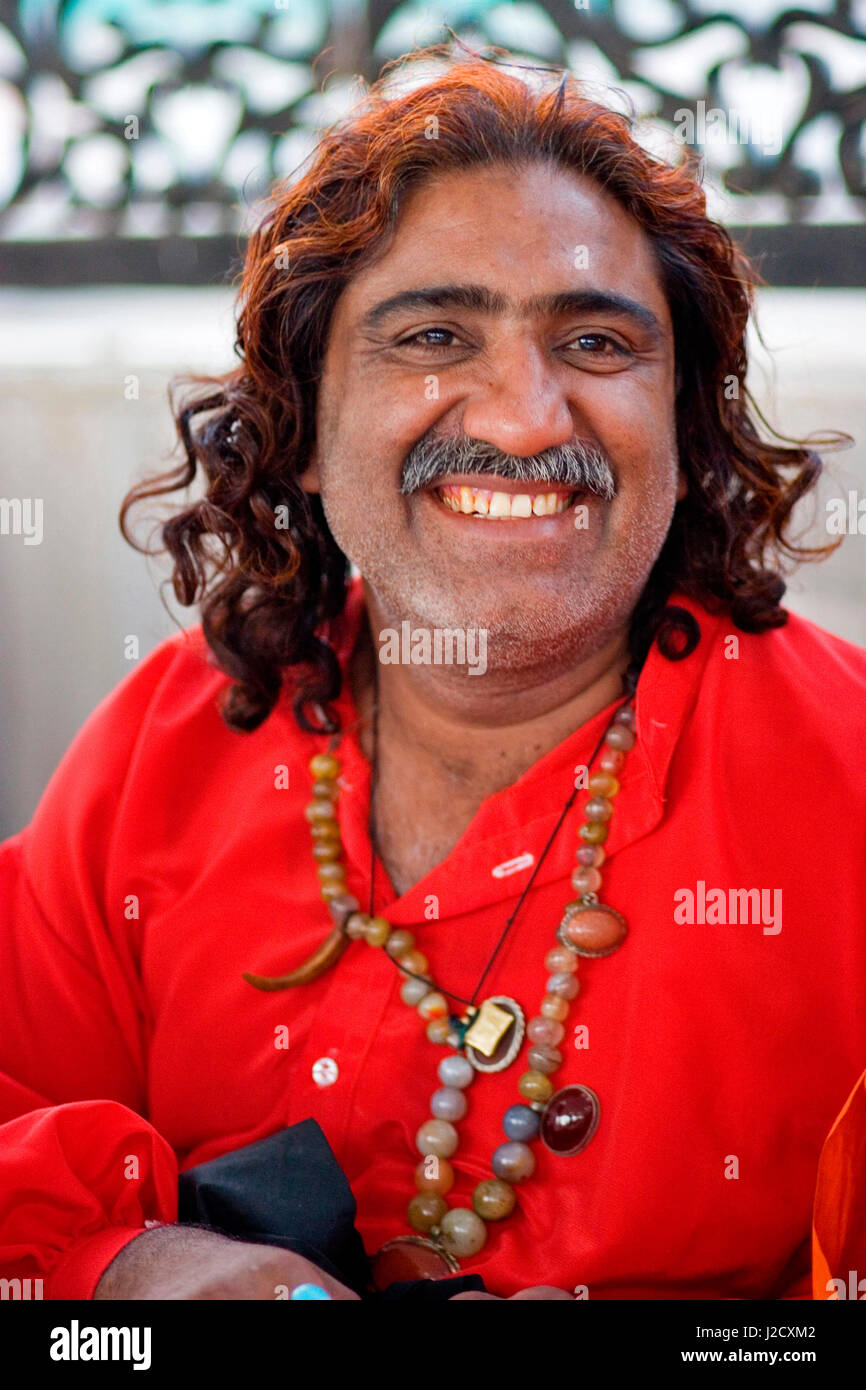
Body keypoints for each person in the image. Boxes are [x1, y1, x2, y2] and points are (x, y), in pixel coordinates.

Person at [1, 46, 864, 1303]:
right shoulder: (162, 749)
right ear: (303, 427)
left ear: (681, 428)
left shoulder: (840, 786)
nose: (521, 418)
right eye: (433, 334)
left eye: (593, 340)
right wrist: (128, 1269)